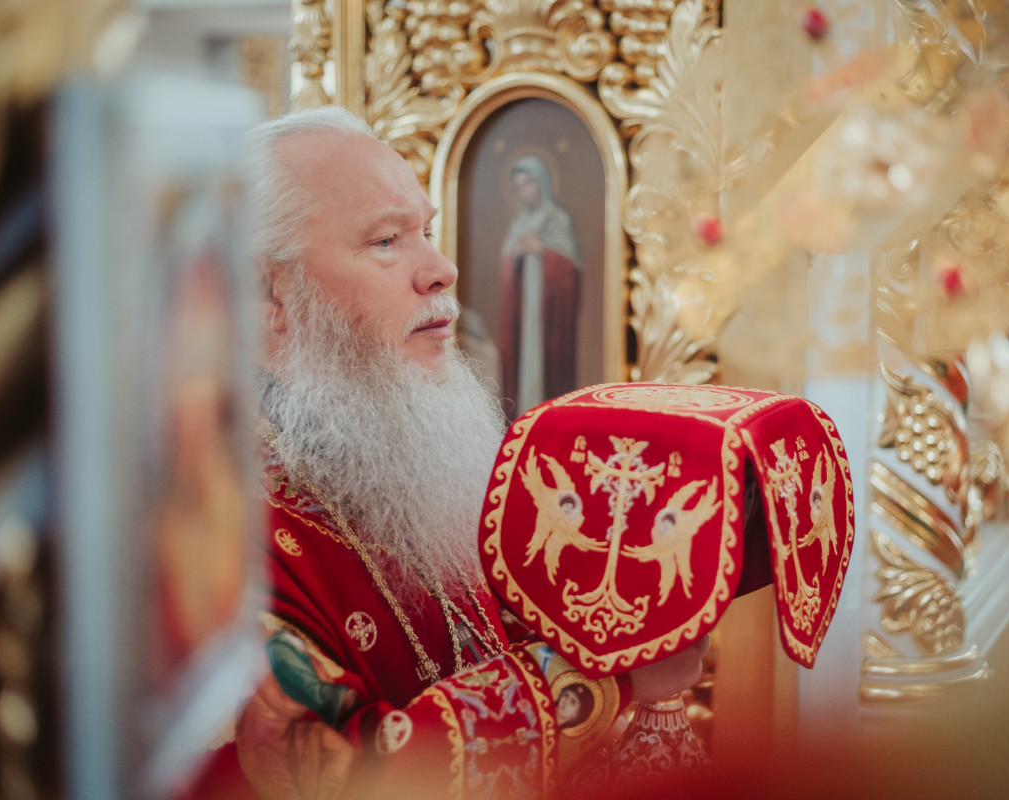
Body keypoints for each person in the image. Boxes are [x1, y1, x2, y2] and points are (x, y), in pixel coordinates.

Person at [226, 106, 706, 800]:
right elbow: (333, 772)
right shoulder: (207, 529)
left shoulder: (392, 455)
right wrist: (606, 678)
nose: (442, 270)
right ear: (267, 289)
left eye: (426, 232)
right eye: (387, 241)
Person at [498, 154, 582, 419]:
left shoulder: (557, 219)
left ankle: (549, 416)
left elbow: (571, 269)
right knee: (522, 361)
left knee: (547, 361)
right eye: (519, 186)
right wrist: (517, 255)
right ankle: (522, 414)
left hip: (548, 311)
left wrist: (543, 251)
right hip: (523, 308)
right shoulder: (518, 225)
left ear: (542, 183)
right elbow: (506, 266)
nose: (525, 191)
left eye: (529, 183)